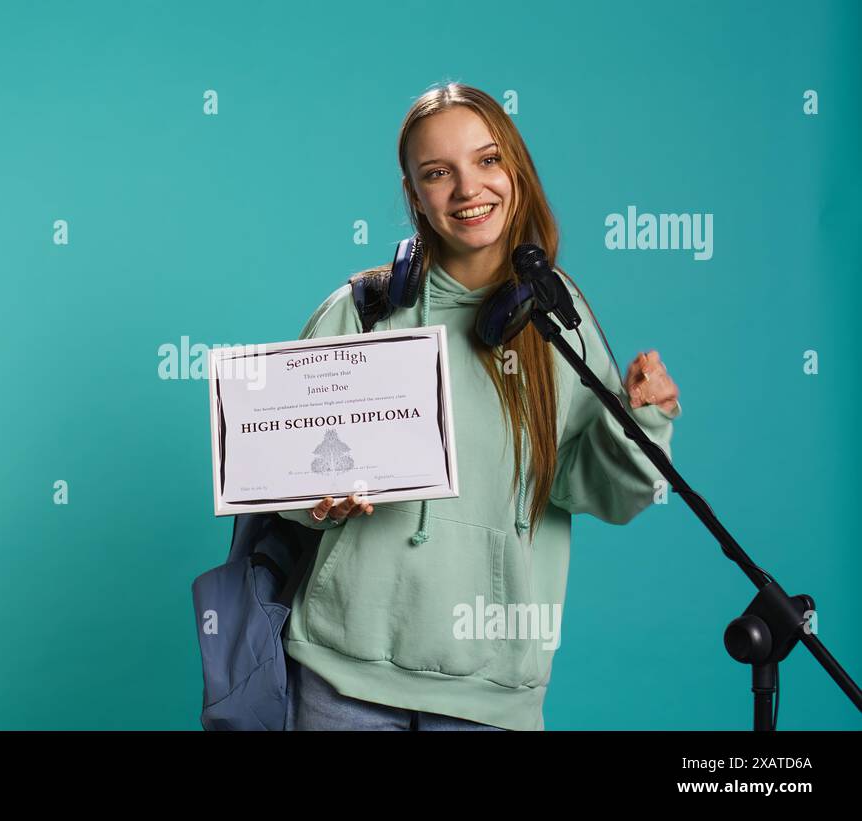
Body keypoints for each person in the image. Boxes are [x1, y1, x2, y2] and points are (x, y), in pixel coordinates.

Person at [278, 82, 681, 731]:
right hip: (340, 677)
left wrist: (639, 420)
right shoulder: (361, 311)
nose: (468, 189)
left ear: (514, 170)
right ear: (414, 195)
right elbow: (288, 476)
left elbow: (601, 489)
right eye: (438, 173)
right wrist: (316, 497)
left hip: (491, 694)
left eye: (487, 160)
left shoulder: (558, 316)